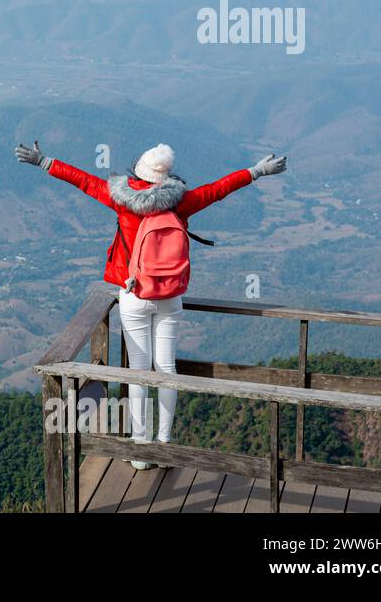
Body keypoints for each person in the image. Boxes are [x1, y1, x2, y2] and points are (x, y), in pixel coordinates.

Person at [15, 140, 286, 469]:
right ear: (166, 178)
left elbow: (83, 180)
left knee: (139, 372)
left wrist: (43, 161)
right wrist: (257, 171)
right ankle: (165, 442)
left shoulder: (122, 200)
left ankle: (142, 451)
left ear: (138, 174)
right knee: (167, 370)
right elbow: (218, 189)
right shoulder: (181, 202)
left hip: (134, 295)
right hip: (170, 296)